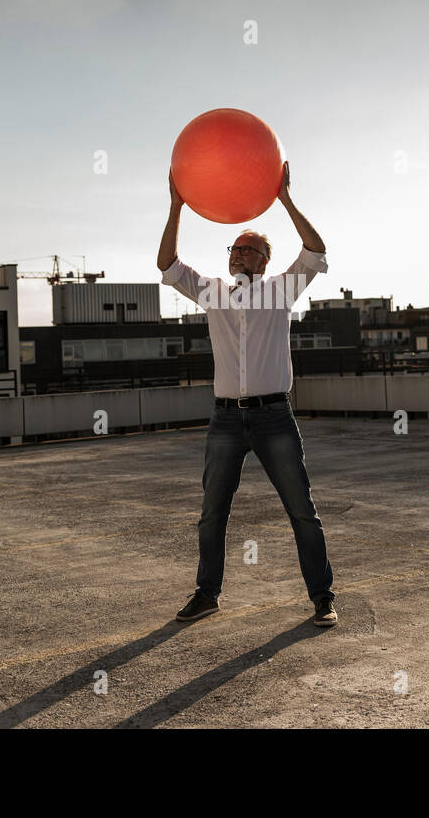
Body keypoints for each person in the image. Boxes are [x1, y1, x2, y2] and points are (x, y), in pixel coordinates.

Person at [157, 160, 337, 628]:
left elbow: (316, 249)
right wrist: (177, 205)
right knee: (212, 513)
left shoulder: (281, 291)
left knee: (302, 511)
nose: (239, 254)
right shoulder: (213, 292)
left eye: (250, 249)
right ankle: (207, 594)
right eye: (235, 247)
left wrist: (284, 199)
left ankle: (322, 598)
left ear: (265, 262)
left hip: (274, 417)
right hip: (224, 422)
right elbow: (167, 265)